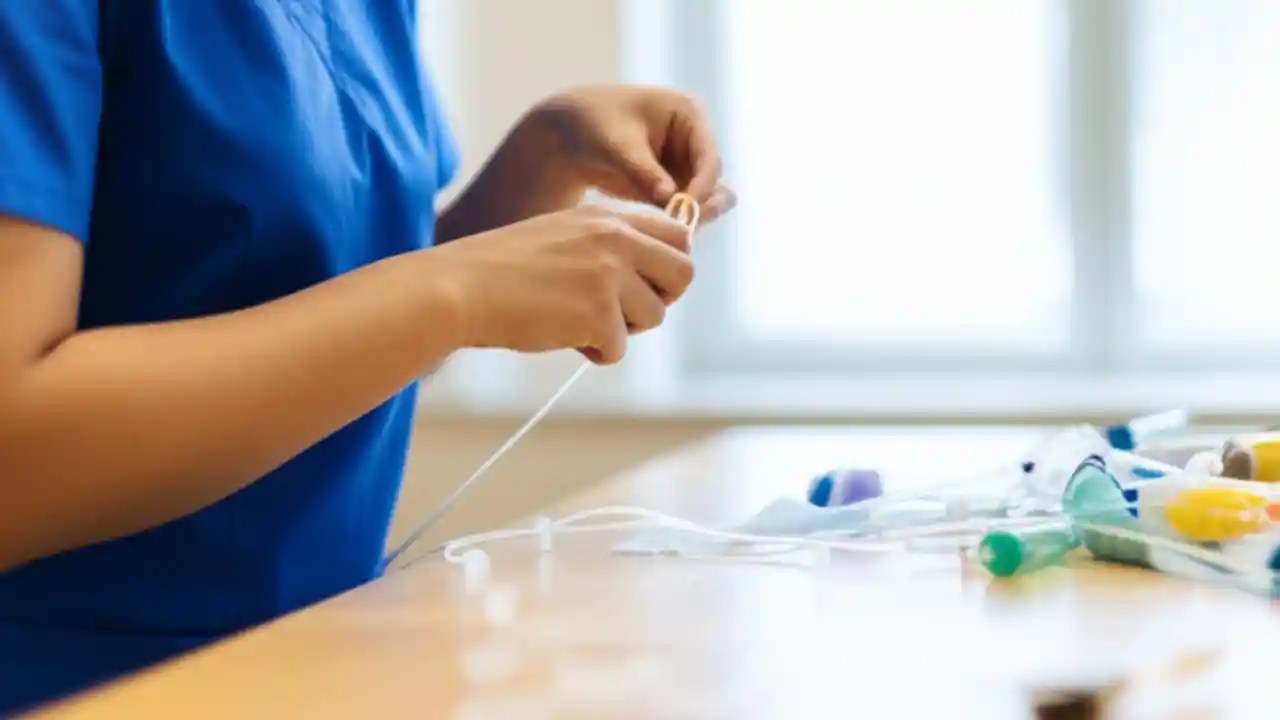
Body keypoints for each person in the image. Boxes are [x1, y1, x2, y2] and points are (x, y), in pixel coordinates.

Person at [0, 1, 735, 713]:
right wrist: (456, 291)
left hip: (328, 661)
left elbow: (353, 325)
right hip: (75, 682)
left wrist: (541, 161)